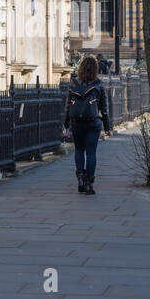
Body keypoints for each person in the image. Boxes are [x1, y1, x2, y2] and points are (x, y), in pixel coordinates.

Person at [62, 53, 111, 194]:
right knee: (91, 153)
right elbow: (104, 109)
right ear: (95, 69)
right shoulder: (98, 85)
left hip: (76, 122)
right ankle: (89, 183)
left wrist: (65, 124)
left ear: (81, 68)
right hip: (93, 122)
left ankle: (80, 179)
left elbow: (67, 106)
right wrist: (107, 128)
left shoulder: (73, 84)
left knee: (79, 150)